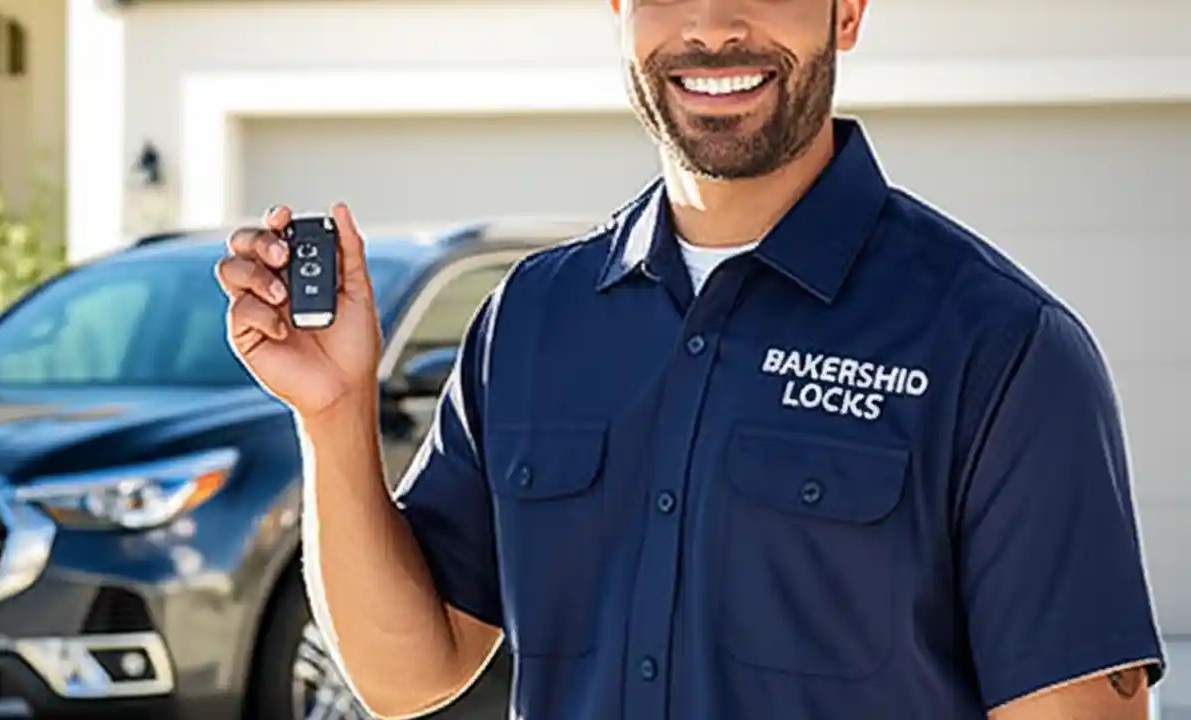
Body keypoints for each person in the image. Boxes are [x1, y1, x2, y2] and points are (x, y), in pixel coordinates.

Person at [215, 0, 1168, 717]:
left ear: (848, 10)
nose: (713, 28)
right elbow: (405, 677)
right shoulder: (533, 320)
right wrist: (334, 417)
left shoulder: (1000, 349)